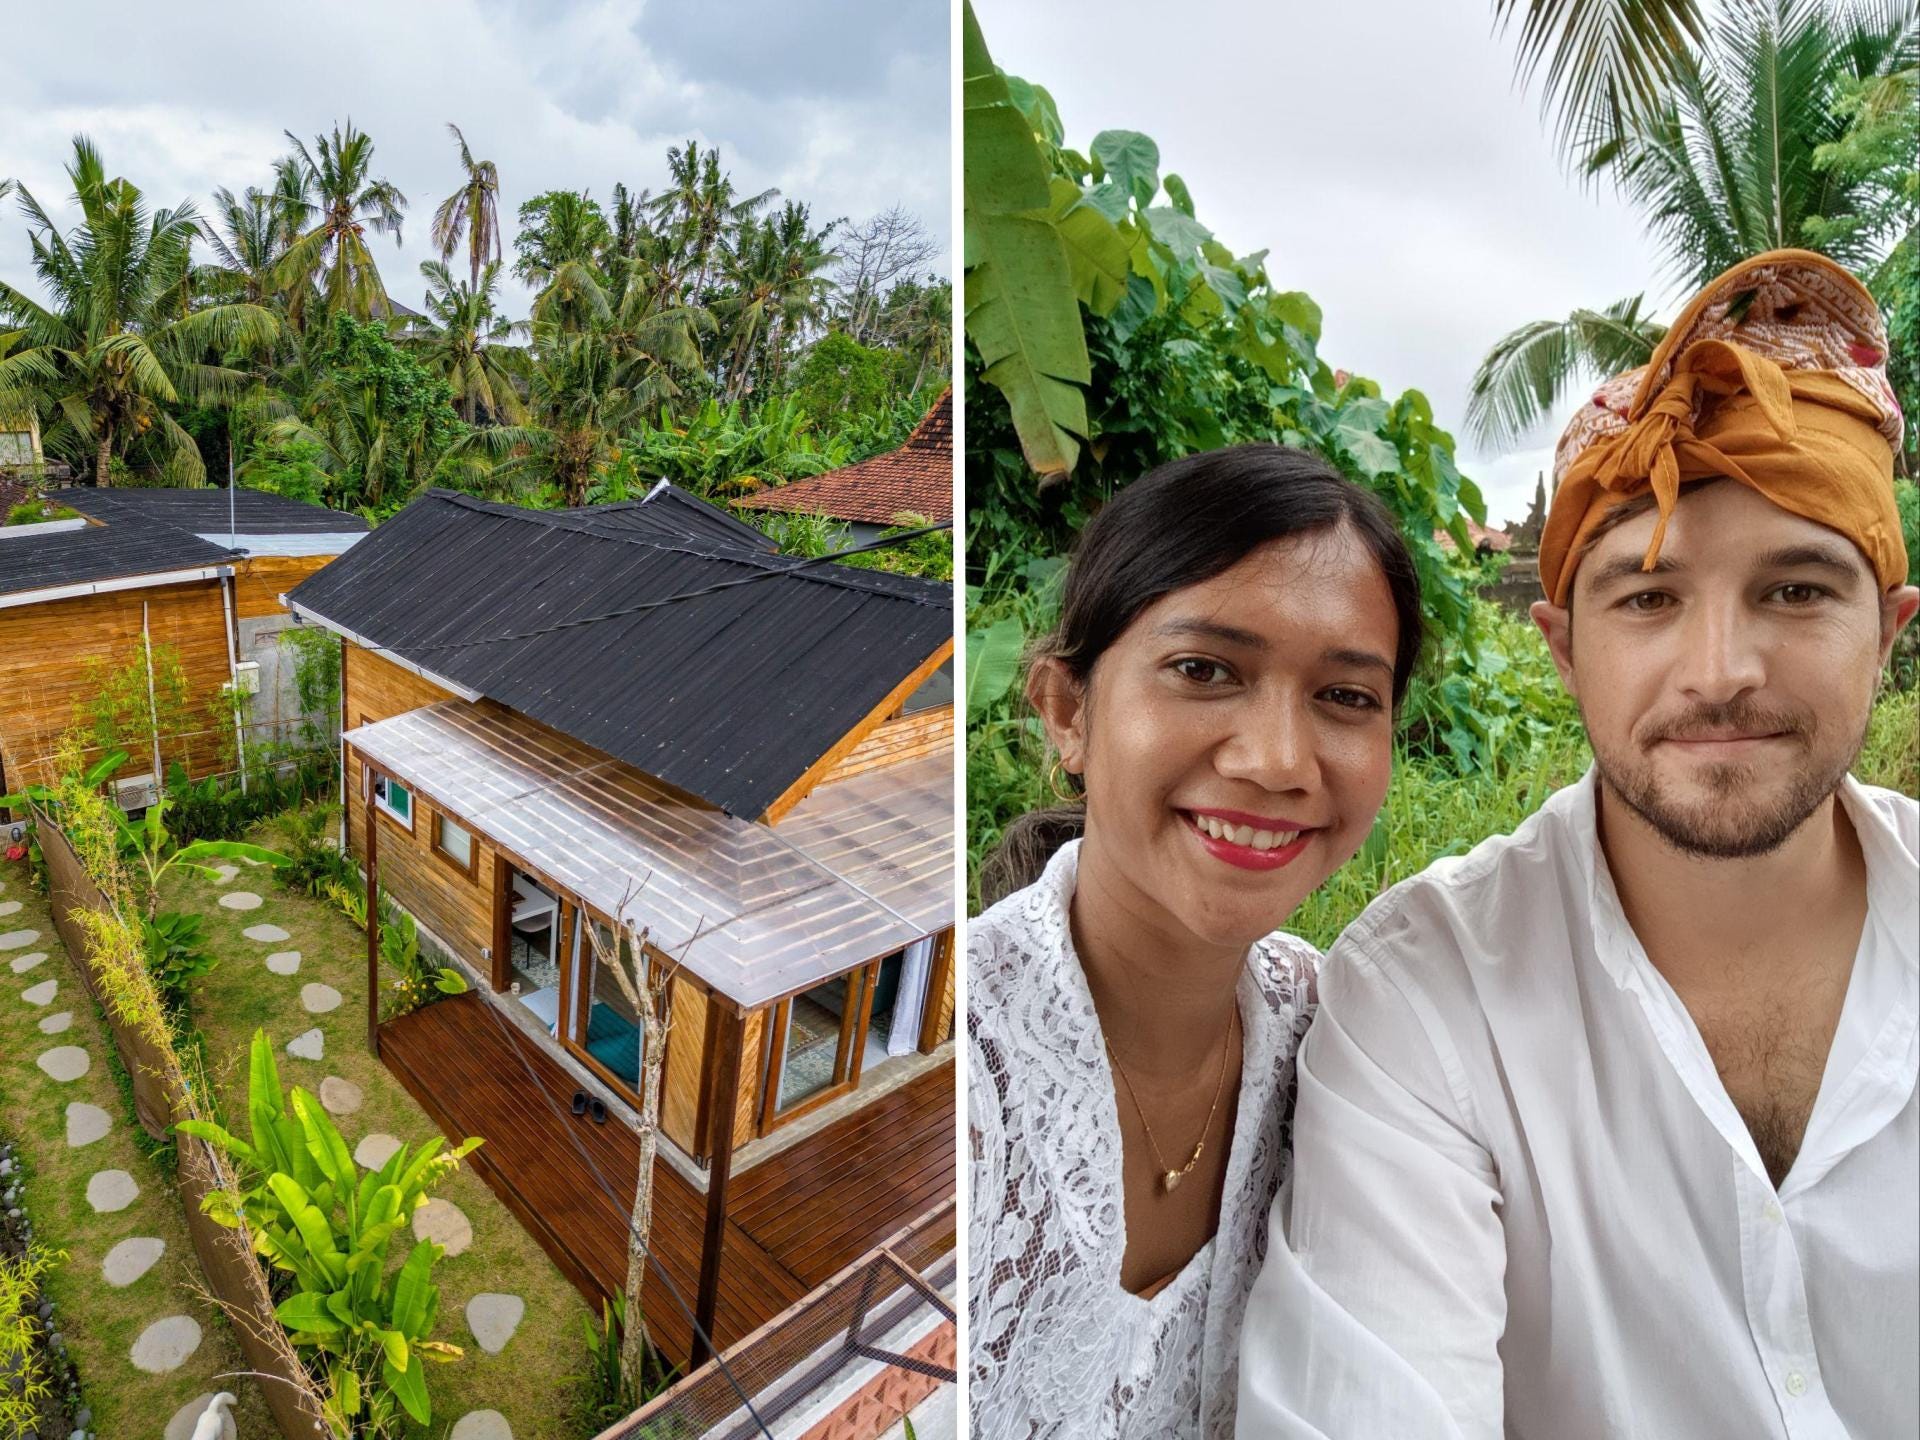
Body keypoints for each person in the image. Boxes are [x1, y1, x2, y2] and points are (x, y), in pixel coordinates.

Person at [1238, 249, 1919, 1440]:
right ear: (1564, 651)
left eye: (1798, 591)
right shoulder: (1426, 1003)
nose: (1720, 673)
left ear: (1889, 636)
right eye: (1647, 599)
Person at [969, 443, 1424, 1438]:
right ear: (1067, 712)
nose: (1275, 762)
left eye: (1345, 696)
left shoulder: (1349, 1041)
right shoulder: (960, 1080)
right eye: (1204, 670)